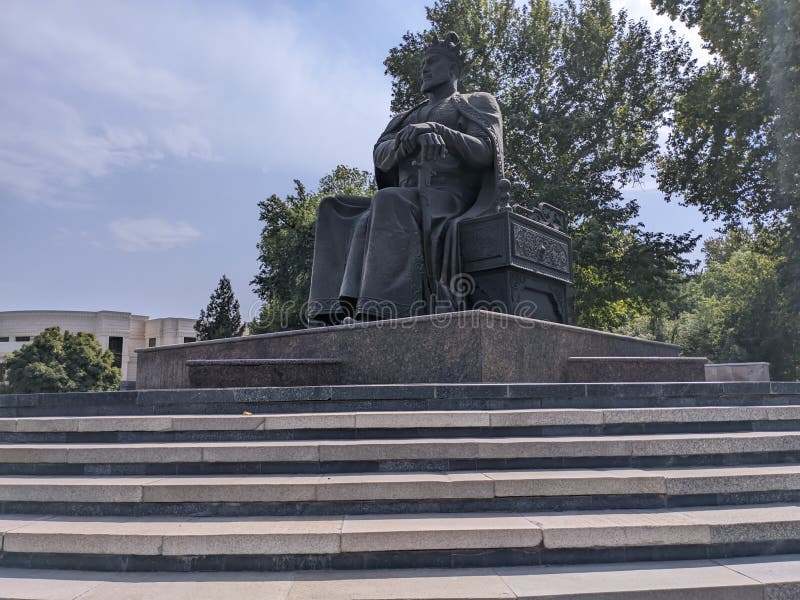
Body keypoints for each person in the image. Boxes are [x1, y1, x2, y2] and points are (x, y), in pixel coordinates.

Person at [307, 31, 505, 324]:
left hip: (449, 200)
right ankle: (333, 311)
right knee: (333, 208)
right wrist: (408, 140)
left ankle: (382, 310)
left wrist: (439, 131)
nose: (424, 68)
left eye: (432, 61)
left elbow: (486, 151)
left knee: (388, 201)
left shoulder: (476, 101)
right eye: (423, 63)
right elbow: (381, 156)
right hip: (406, 198)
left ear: (453, 68)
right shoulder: (405, 117)